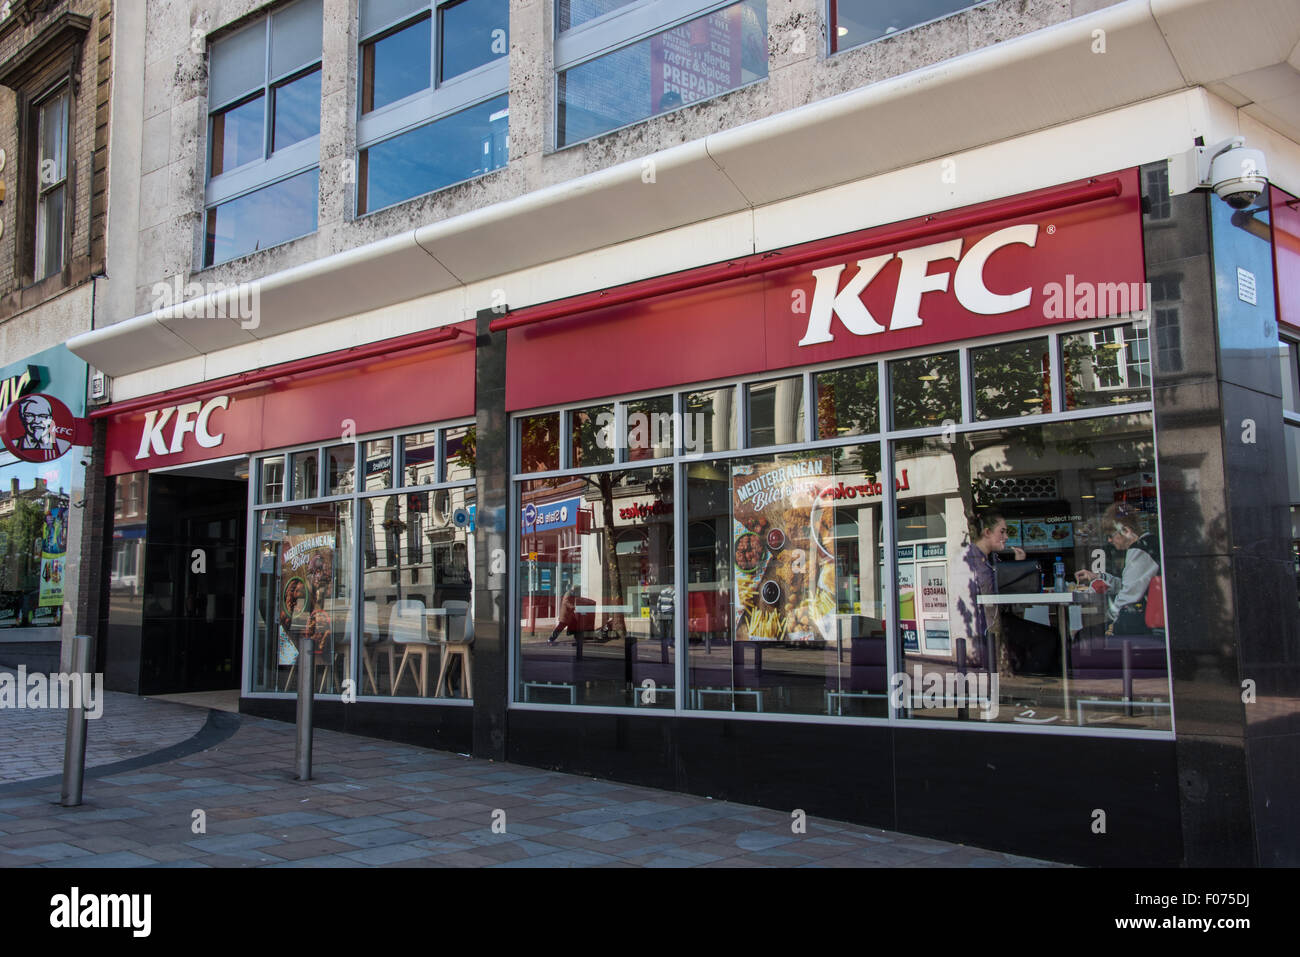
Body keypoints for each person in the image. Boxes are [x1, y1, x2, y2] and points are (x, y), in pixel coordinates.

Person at [949, 512, 1025, 670]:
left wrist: (1017, 567)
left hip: (994, 623)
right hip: (985, 628)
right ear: (988, 532)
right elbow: (987, 595)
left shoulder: (990, 558)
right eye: (1002, 532)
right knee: (1045, 640)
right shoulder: (972, 560)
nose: (1006, 537)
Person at [1075, 503, 1160, 635]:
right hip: (1147, 619)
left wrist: (1112, 620)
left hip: (1145, 623)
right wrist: (1099, 577)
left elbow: (1129, 594)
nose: (1109, 540)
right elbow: (1131, 585)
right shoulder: (1149, 544)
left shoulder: (1140, 550)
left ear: (1126, 531)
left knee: (1083, 635)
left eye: (1111, 535)